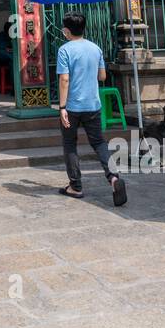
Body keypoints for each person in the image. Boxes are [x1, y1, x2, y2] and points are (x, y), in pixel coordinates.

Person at [56, 14, 125, 205]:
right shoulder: (95, 48)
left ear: (67, 31)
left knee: (70, 144)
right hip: (93, 105)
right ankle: (113, 177)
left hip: (72, 106)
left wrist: (62, 107)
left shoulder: (65, 50)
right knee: (99, 143)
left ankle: (76, 186)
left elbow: (64, 79)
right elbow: (102, 76)